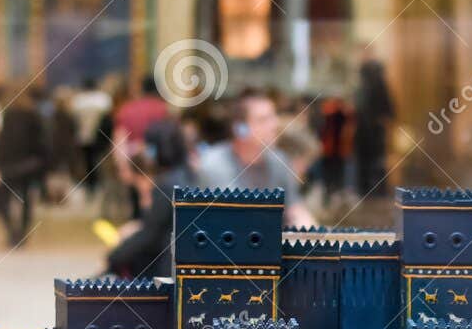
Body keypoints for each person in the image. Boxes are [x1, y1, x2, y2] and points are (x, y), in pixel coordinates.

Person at [192, 90, 316, 228]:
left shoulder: (279, 161)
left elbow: (295, 209)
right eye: (263, 120)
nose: (274, 125)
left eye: (273, 117)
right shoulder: (210, 165)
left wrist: (319, 239)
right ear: (241, 129)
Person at [106, 120, 191, 280]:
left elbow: (148, 236)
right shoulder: (188, 176)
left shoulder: (167, 186)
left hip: (166, 271)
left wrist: (112, 257)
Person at [0, 84, 47, 246]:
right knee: (26, 201)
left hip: (9, 165)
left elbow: (2, 143)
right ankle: (21, 234)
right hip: (28, 165)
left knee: (2, 199)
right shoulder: (33, 115)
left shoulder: (7, 115)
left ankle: (12, 230)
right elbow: (40, 142)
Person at [353, 56, 395, 196]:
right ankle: (376, 190)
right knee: (375, 162)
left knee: (369, 163)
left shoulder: (362, 87)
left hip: (366, 132)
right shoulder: (378, 87)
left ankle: (367, 189)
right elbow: (390, 112)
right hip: (372, 132)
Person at [71, 76, 112, 191]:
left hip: (84, 137)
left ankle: (91, 184)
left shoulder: (78, 101)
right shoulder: (103, 99)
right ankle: (101, 182)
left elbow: (75, 122)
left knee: (88, 161)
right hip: (101, 136)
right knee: (100, 160)